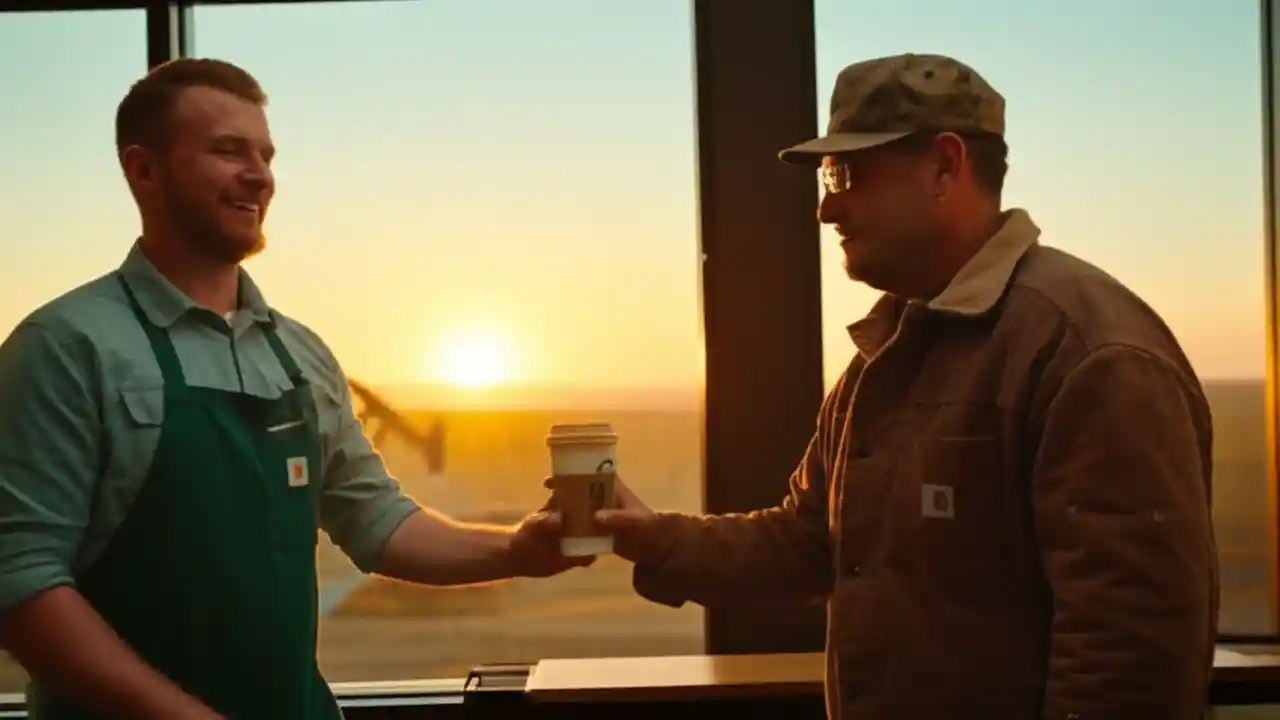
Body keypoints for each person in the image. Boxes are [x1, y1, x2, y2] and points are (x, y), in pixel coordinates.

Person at [595, 53, 1219, 719]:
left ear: (945, 167)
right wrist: (652, 538)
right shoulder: (890, 350)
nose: (827, 207)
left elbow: (1131, 657)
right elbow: (810, 542)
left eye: (847, 173)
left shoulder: (1086, 353)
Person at [0, 58, 586, 720]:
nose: (260, 175)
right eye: (228, 150)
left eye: (266, 154)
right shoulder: (66, 347)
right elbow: (20, 584)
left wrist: (515, 548)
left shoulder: (299, 354)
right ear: (143, 170)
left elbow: (377, 521)